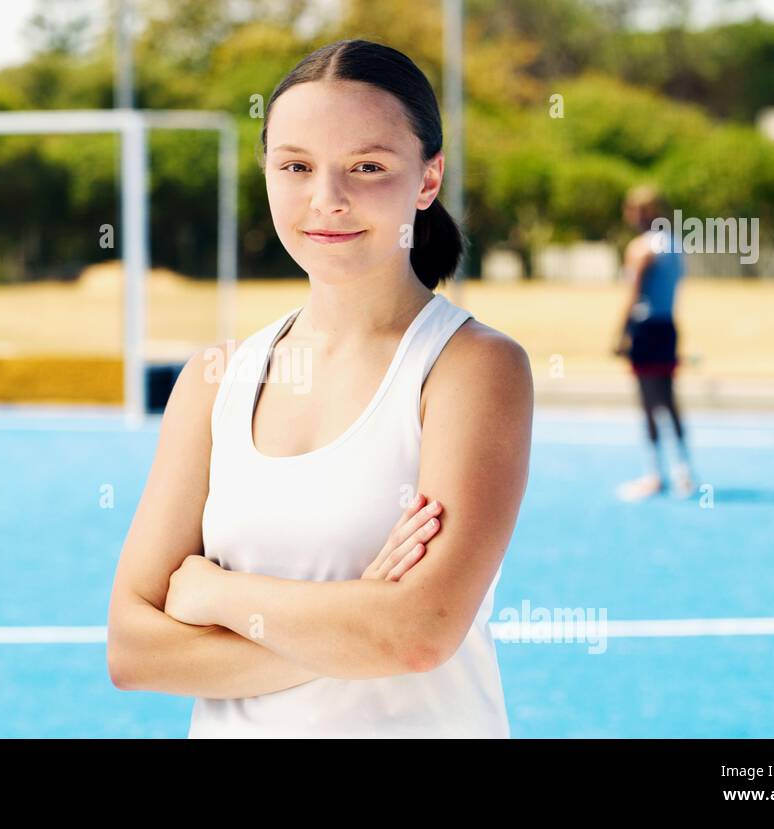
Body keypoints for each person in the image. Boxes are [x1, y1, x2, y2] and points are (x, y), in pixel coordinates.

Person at [106, 39, 533, 737]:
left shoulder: (472, 368)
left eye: (367, 166)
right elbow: (132, 649)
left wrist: (217, 593)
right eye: (296, 165)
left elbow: (418, 635)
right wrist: (357, 616)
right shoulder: (216, 381)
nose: (326, 198)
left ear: (427, 180)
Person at [612, 184, 695, 501]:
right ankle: (684, 472)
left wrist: (620, 335)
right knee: (670, 400)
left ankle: (655, 474)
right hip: (668, 327)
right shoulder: (673, 244)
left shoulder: (642, 248)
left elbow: (633, 295)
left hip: (646, 329)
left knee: (649, 402)